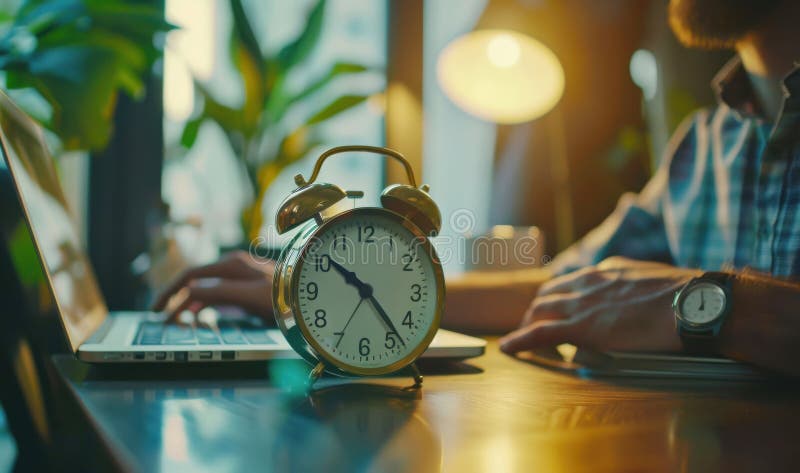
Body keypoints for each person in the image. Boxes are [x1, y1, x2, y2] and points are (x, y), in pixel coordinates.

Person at [154, 0, 800, 375]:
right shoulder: (704, 143)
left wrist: (709, 305)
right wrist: (306, 282)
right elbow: (566, 286)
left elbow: (641, 295)